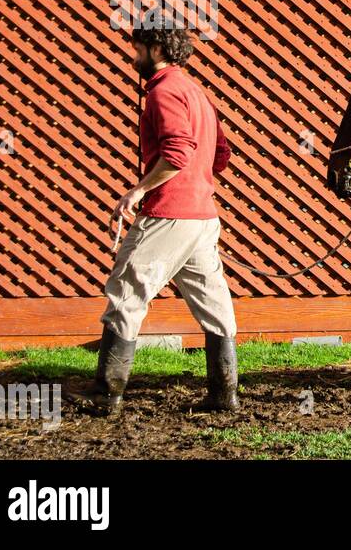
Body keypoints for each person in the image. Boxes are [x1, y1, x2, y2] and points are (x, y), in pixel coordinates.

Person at [72, 23, 239, 415]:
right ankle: (223, 394)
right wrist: (198, 183)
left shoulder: (163, 92)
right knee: (213, 304)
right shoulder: (197, 92)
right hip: (202, 217)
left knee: (126, 292)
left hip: (169, 214)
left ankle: (106, 394)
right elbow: (222, 155)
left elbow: (178, 151)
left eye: (137, 51)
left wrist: (140, 190)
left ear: (156, 48)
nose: (134, 59)